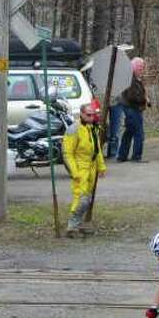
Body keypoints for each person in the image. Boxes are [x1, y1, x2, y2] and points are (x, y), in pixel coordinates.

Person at [63, 101, 107, 236]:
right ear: (81, 114)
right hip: (80, 168)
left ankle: (77, 224)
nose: (91, 117)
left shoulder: (92, 128)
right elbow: (67, 153)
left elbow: (97, 149)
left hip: (91, 168)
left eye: (93, 115)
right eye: (88, 115)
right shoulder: (74, 129)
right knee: (80, 198)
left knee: (86, 198)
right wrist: (74, 172)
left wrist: (101, 166)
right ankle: (72, 226)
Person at [118, 57, 148, 162]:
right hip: (132, 109)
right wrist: (144, 100)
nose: (142, 70)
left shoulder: (133, 78)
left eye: (142, 68)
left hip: (130, 108)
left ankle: (122, 156)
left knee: (129, 132)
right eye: (140, 68)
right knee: (139, 133)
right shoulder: (130, 79)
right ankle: (136, 156)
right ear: (134, 68)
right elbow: (132, 96)